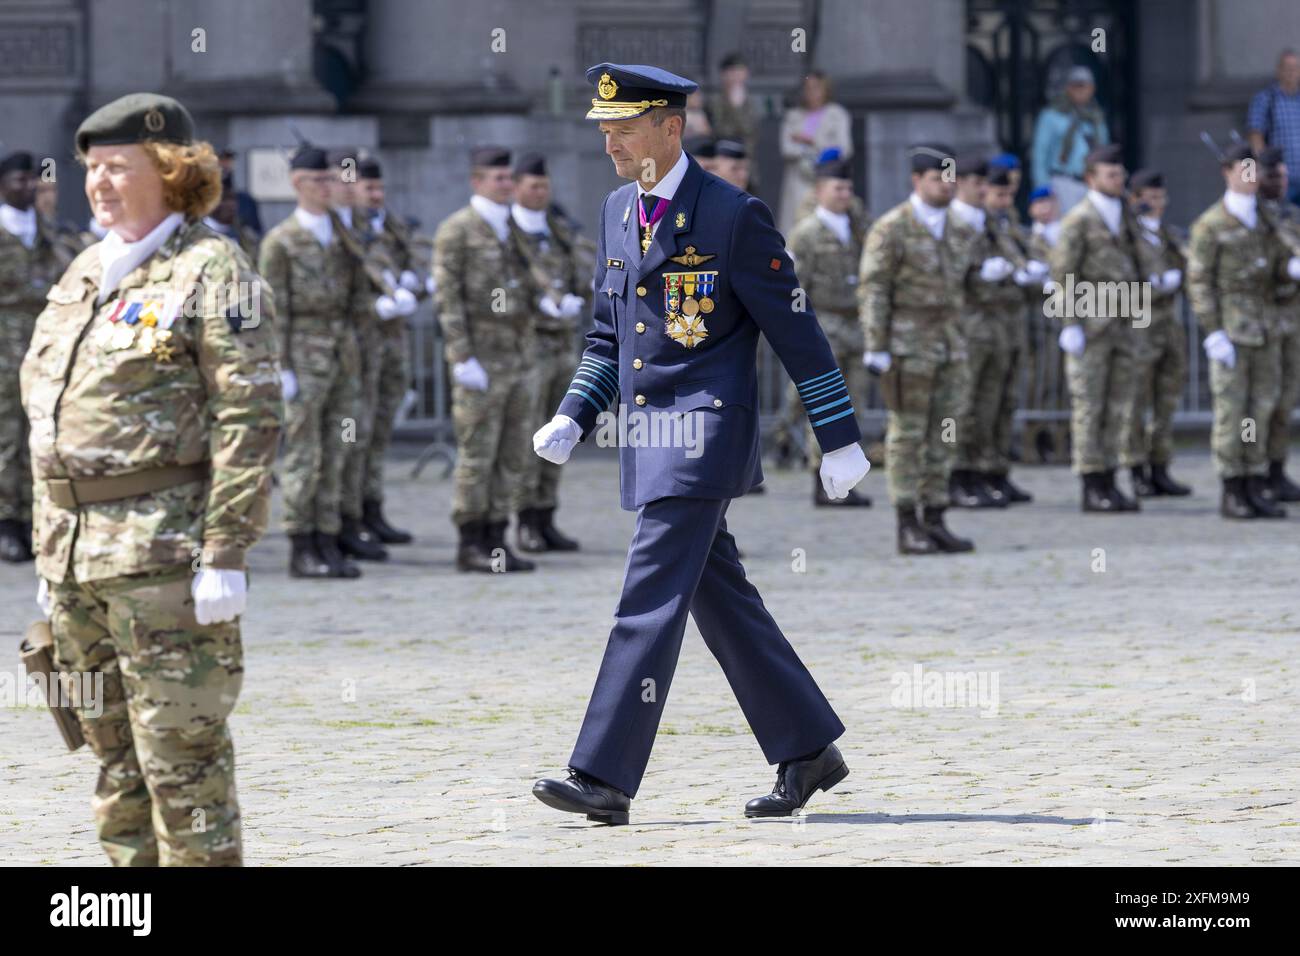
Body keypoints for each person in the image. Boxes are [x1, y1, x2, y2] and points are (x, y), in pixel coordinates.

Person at [530, 63, 869, 825]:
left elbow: (799, 333)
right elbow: (607, 337)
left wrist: (838, 438)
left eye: (624, 127)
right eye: (604, 129)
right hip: (648, 435)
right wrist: (575, 414)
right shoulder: (619, 210)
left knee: (647, 598)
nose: (609, 141)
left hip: (706, 432)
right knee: (722, 600)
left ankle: (603, 774)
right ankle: (807, 746)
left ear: (670, 128)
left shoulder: (732, 216)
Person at [20, 92, 281, 865]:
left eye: (117, 168)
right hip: (75, 562)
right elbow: (49, 415)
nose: (98, 183)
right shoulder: (84, 267)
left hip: (162, 563)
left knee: (182, 766)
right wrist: (49, 548)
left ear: (170, 172)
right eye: (92, 170)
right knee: (112, 763)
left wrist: (226, 551)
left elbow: (249, 414)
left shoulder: (214, 267)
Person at [859, 144, 977, 554]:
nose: (946, 186)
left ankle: (936, 515)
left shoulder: (962, 229)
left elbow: (970, 284)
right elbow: (875, 287)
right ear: (917, 181)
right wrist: (876, 344)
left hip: (950, 345)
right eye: (937, 178)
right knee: (908, 434)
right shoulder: (893, 228)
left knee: (945, 432)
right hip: (907, 346)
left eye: (950, 178)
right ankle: (907, 521)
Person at [259, 142, 367, 577]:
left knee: (339, 447)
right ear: (298, 183)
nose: (328, 187)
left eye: (330, 179)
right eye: (319, 180)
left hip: (342, 353)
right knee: (305, 453)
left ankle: (328, 535)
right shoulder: (282, 241)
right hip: (303, 354)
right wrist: (280, 366)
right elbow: (274, 309)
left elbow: (358, 295)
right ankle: (302, 542)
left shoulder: (341, 233)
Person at [433, 146, 540, 573]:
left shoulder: (512, 228)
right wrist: (461, 356)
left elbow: (531, 277)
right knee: (478, 453)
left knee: (512, 453)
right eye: (497, 179)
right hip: (480, 358)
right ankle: (471, 540)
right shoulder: (457, 230)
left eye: (509, 178)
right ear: (477, 181)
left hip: (518, 356)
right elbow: (448, 296)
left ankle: (498, 536)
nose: (507, 185)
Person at [1186, 143, 1300, 518]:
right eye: (1244, 171)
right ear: (1228, 172)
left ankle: (1254, 478)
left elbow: (1281, 264)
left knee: (1258, 412)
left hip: (1266, 331)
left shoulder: (1265, 220)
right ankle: (1231, 486)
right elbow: (1200, 282)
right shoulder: (1211, 225)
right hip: (1233, 332)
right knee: (1232, 412)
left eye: (1255, 172)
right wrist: (1212, 331)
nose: (1251, 179)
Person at [1050, 144, 1158, 513]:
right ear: (1091, 178)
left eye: (1120, 173)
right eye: (1110, 174)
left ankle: (1110, 477)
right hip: (1091, 325)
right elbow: (1063, 273)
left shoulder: (1125, 215)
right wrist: (1069, 323)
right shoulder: (1079, 220)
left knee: (1119, 405)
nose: (1118, 180)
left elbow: (1139, 264)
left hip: (1124, 322)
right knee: (1089, 405)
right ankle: (1091, 482)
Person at [0, 150, 79, 561]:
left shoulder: (50, 234)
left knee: (42, 433)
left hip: (46, 346)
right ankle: (6, 523)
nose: (28, 188)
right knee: (6, 437)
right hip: (3, 347)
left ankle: (36, 518)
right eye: (20, 181)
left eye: (33, 181)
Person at [509, 152, 587, 552]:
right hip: (528, 344)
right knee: (530, 430)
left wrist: (575, 295)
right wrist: (533, 304)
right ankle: (524, 517)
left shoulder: (557, 230)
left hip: (562, 342)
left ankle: (546, 513)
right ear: (516, 187)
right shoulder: (507, 233)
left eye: (544, 186)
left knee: (561, 429)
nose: (540, 193)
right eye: (533, 185)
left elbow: (583, 268)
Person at [786, 154, 872, 506]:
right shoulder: (807, 233)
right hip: (824, 324)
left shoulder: (858, 227)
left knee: (856, 405)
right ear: (820, 190)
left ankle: (846, 479)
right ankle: (822, 480)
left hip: (855, 324)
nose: (844, 194)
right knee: (825, 406)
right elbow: (795, 284)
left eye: (849, 188)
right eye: (837, 188)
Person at [955, 163, 1040, 507]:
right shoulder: (954, 224)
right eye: (978, 183)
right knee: (965, 404)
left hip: (1003, 325)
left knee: (997, 403)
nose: (983, 191)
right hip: (969, 326)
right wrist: (980, 274)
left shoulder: (993, 224)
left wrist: (1027, 274)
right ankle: (959, 474)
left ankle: (990, 470)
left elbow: (1017, 261)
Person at [354, 155, 424, 543]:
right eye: (369, 188)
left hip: (393, 340)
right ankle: (350, 513)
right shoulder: (350, 229)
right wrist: (373, 304)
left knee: (381, 428)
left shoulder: (394, 226)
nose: (376, 195)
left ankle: (372, 506)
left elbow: (420, 262)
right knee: (357, 431)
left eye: (380, 188)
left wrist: (416, 283)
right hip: (363, 341)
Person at [1120, 168, 1192, 497]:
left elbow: (1192, 262)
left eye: (1161, 198)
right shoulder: (1125, 235)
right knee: (1135, 400)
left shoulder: (1167, 234)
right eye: (1150, 198)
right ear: (1135, 200)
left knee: (1167, 397)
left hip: (1167, 324)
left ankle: (1160, 465)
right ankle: (1135, 468)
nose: (1157, 204)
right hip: (1139, 324)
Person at [1258, 146, 1300, 501]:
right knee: (1259, 404)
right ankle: (1251, 470)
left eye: (1284, 175)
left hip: (1291, 322)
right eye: (1274, 176)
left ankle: (1275, 467)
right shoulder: (1252, 220)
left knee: (1285, 400)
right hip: (1260, 324)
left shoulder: (1290, 217)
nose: (1281, 182)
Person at [779, 71, 852, 236]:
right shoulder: (793, 115)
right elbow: (786, 148)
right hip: (798, 180)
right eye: (808, 88)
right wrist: (807, 151)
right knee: (797, 226)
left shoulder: (837, 114)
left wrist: (811, 141)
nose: (812, 92)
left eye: (816, 87)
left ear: (826, 89)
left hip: (826, 178)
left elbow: (844, 149)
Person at [1031, 65, 1109, 213]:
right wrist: (1043, 189)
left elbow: (1103, 151)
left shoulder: (1096, 117)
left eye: (1084, 86)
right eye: (1076, 86)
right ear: (1068, 88)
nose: (1080, 91)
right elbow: (1040, 154)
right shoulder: (1051, 115)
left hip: (1091, 183)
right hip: (1062, 182)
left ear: (1092, 89)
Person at [1247, 50, 1300, 205]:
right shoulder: (1266, 99)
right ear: (1279, 70)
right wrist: (1265, 170)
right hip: (1280, 180)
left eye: (1295, 68)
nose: (1291, 72)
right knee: (1282, 223)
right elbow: (1255, 135)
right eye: (1287, 67)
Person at [707, 53, 759, 188]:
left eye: (740, 71)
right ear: (723, 75)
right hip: (721, 164)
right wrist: (734, 108)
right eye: (732, 71)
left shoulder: (751, 103)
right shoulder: (715, 102)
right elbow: (720, 131)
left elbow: (750, 130)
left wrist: (737, 107)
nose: (736, 76)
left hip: (746, 163)